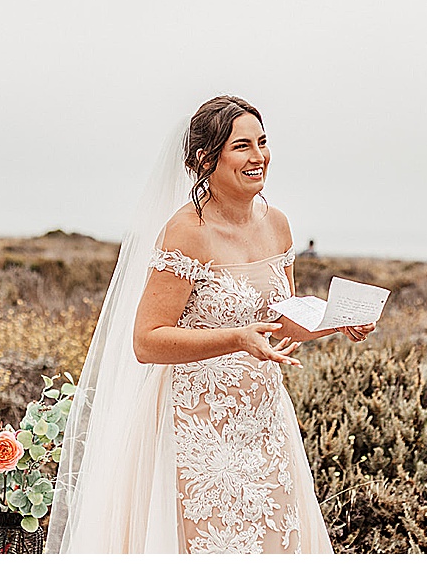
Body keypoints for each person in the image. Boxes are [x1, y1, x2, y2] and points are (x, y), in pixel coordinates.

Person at [46, 95, 375, 554]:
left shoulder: (278, 225)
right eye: (242, 146)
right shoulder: (186, 232)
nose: (259, 157)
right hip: (195, 423)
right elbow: (147, 341)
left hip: (263, 420)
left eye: (262, 143)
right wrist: (236, 339)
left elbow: (279, 321)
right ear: (206, 159)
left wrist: (335, 323)